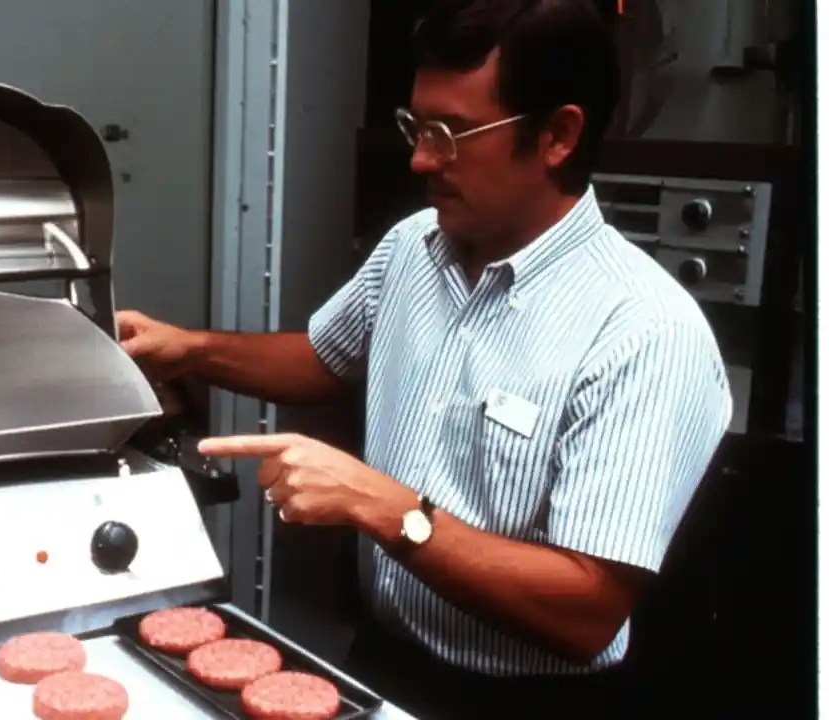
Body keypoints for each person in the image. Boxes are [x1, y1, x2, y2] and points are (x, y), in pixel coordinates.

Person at [116, 0, 731, 717]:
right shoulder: (414, 247)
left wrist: (387, 509)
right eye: (418, 126)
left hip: (535, 702)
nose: (420, 158)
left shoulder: (645, 332)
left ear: (558, 135)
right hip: (386, 663)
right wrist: (190, 348)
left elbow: (586, 612)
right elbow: (323, 358)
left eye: (453, 133)